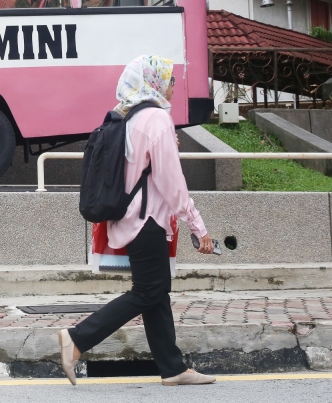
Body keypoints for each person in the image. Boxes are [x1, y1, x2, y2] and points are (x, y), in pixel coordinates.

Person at [59, 55, 218, 386]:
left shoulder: (129, 116)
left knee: (157, 293)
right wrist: (198, 226)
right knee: (148, 292)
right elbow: (172, 184)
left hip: (133, 218)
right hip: (148, 221)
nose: (173, 85)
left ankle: (173, 368)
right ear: (154, 82)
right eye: (169, 79)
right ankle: (77, 338)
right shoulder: (157, 119)